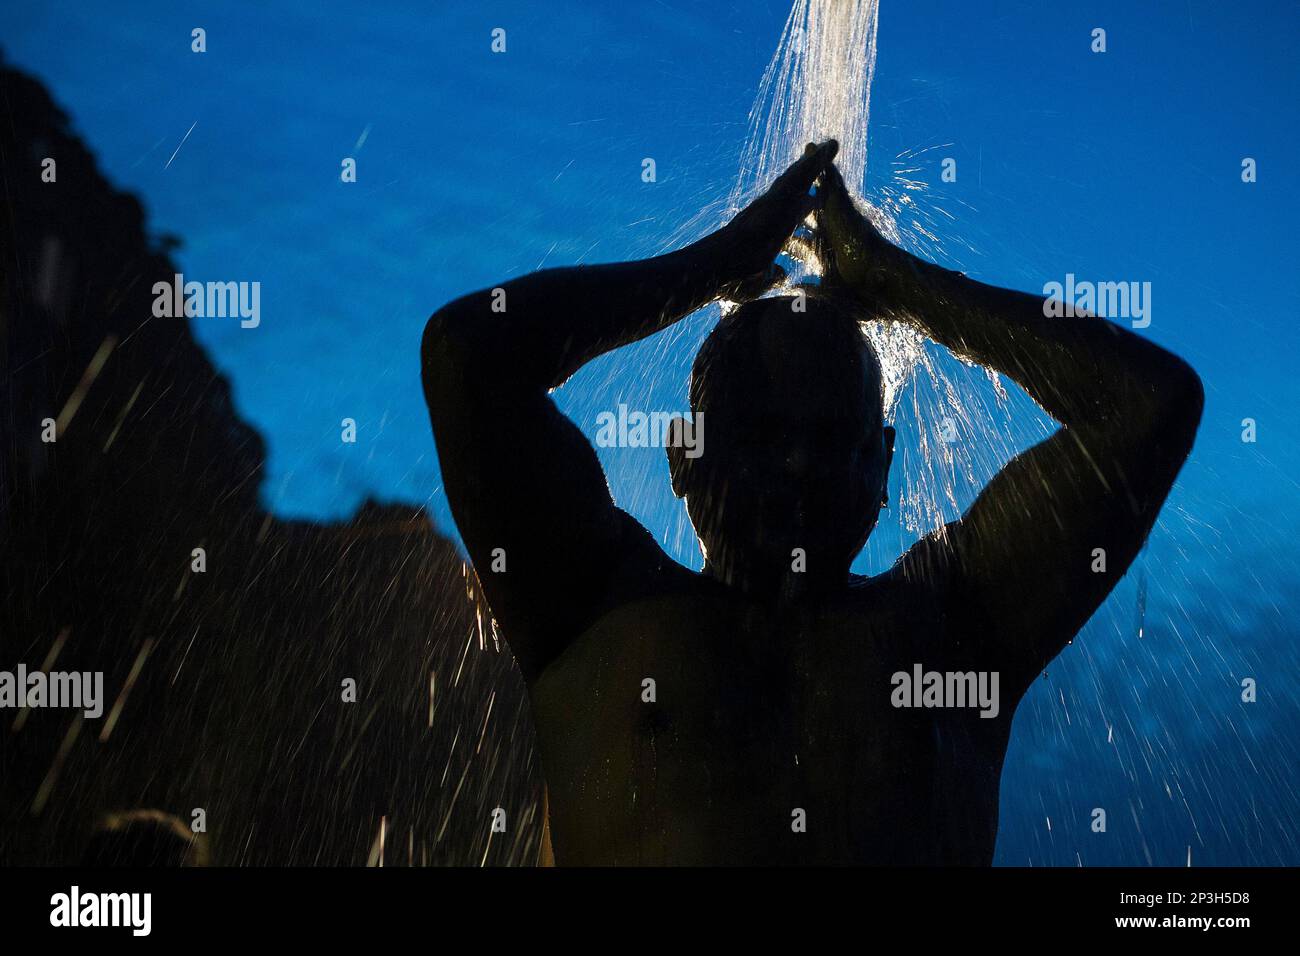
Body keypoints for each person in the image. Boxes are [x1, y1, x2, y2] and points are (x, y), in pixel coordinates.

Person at [420, 141, 1202, 864]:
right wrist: (711, 264)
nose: (800, 469)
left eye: (834, 441)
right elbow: (469, 356)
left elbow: (1149, 404)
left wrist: (900, 283)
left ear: (884, 461)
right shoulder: (590, 601)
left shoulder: (956, 626)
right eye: (763, 436)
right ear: (683, 454)